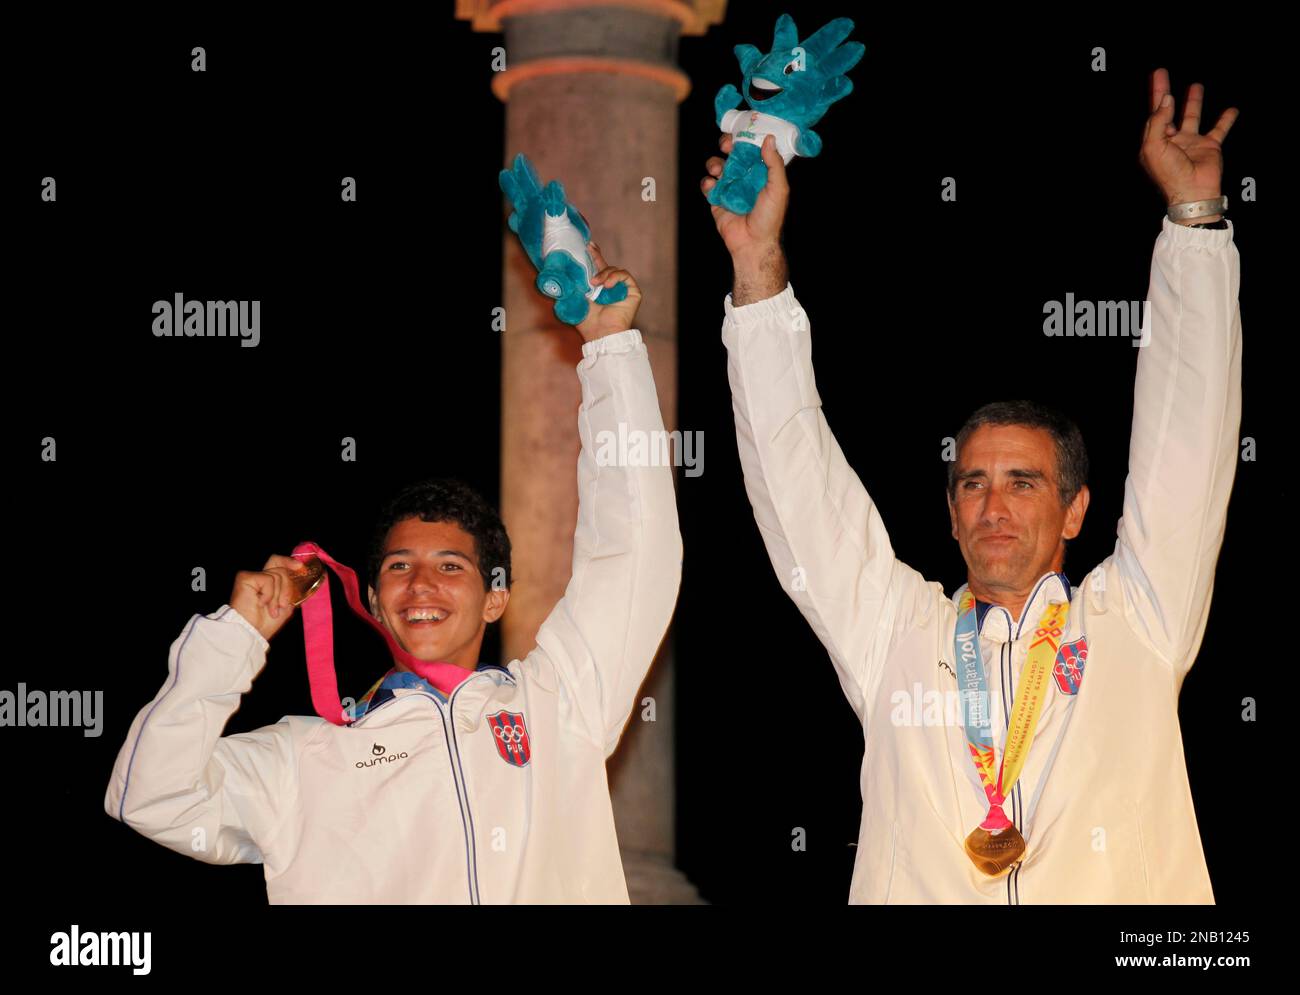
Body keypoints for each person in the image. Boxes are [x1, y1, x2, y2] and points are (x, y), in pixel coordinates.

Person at [702, 68, 1240, 903]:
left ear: (1075, 509)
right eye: (973, 483)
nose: (993, 504)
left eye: (1024, 482)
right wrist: (756, 264)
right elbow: (797, 483)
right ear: (950, 514)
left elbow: (1188, 440)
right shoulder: (894, 633)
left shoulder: (1139, 618)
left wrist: (1195, 225)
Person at [104, 247, 682, 904]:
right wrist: (236, 635)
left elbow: (636, 550)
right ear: (374, 602)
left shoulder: (559, 704)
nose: (422, 585)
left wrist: (610, 352)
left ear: (496, 597)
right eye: (399, 567)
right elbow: (149, 796)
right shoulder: (305, 756)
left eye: (451, 566)